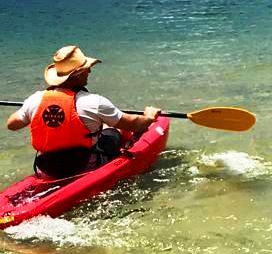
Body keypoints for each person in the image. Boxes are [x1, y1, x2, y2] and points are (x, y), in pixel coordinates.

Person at [5, 45, 161, 178]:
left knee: (101, 126)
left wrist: (33, 113)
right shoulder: (94, 102)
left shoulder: (36, 99)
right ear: (78, 74)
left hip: (48, 167)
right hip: (83, 165)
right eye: (87, 70)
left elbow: (12, 124)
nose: (90, 72)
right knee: (113, 128)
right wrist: (149, 116)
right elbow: (134, 124)